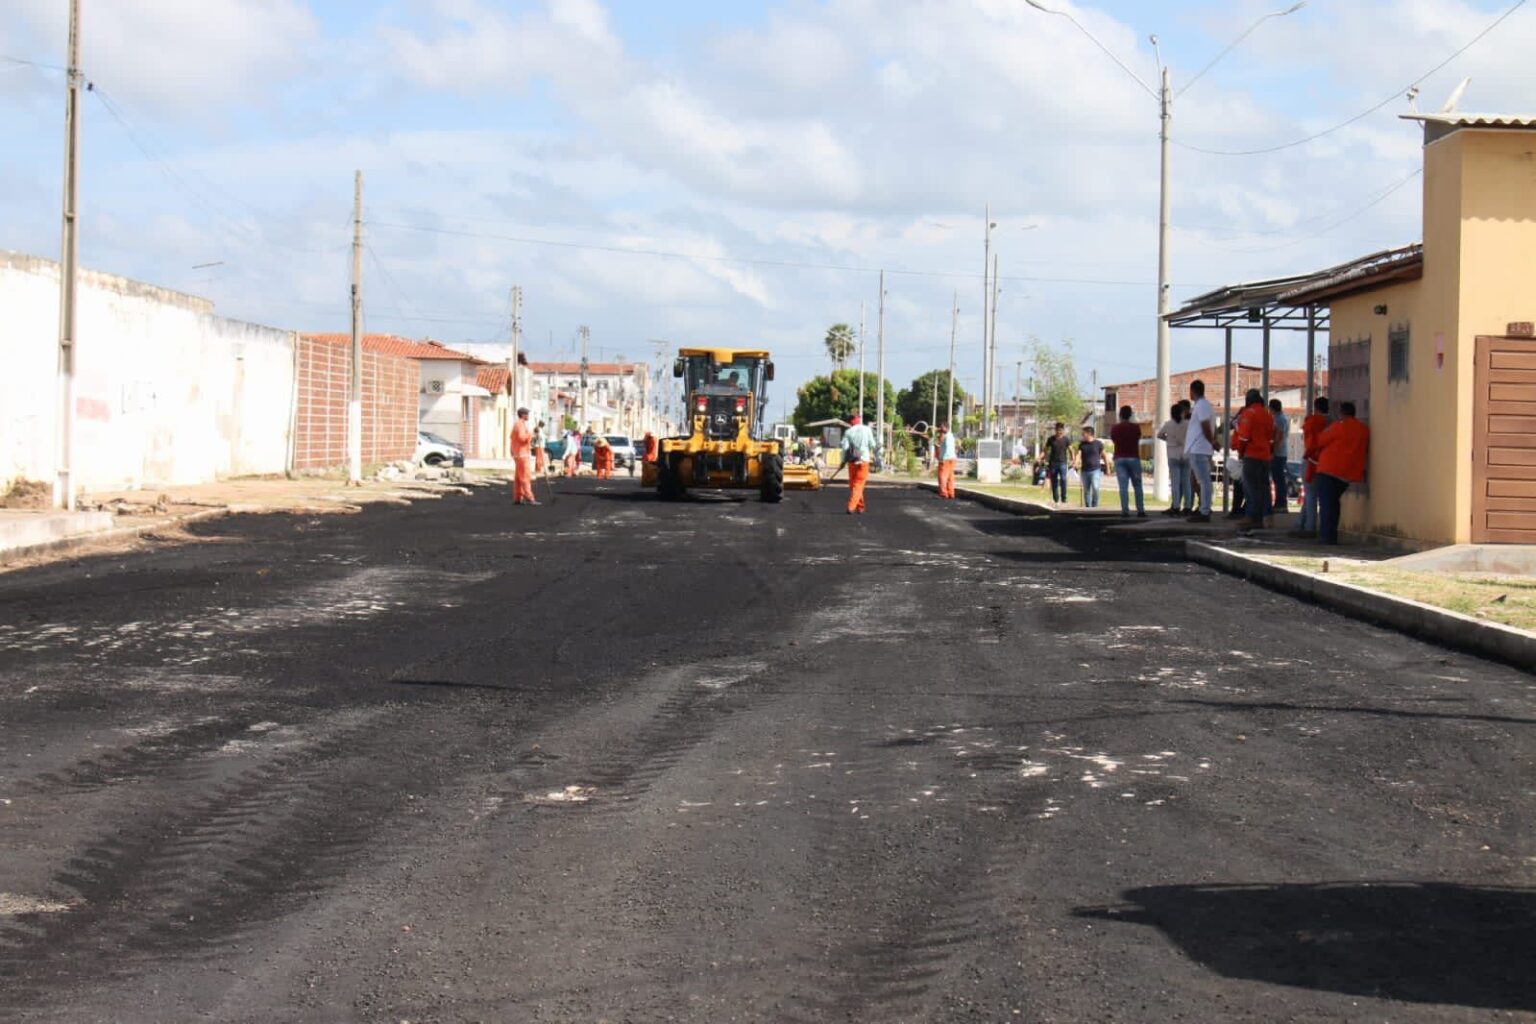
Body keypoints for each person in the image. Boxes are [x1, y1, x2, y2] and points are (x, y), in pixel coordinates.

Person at [1314, 401, 1369, 545]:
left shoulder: (1338, 426)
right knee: (1334, 504)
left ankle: (1326, 536)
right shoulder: (1363, 429)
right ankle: (1332, 535)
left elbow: (1320, 441)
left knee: (1327, 505)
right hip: (1347, 474)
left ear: (1342, 413)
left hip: (1328, 469)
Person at [1233, 389, 1274, 534]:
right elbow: (1271, 436)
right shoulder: (1267, 414)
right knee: (1264, 487)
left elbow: (1243, 437)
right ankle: (1267, 515)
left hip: (1252, 454)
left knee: (1250, 488)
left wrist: (1240, 452)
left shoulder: (1248, 413)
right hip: (1265, 455)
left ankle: (1252, 516)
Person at [1296, 396, 1329, 536]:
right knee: (1312, 494)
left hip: (1311, 459)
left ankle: (1310, 527)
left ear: (1316, 408)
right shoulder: (1332, 422)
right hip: (1326, 460)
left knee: (1310, 494)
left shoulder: (1313, 421)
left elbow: (1309, 441)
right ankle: (1300, 524)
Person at [1184, 380, 1216, 523]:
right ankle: (1203, 507)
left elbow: (1204, 425)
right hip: (1199, 448)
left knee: (1203, 481)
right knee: (1200, 481)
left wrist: (1212, 441)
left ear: (1192, 391)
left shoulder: (1202, 405)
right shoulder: (1201, 406)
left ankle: (1204, 510)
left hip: (1200, 448)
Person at [1109, 406, 1145, 518]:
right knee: (1137, 485)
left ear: (1120, 415)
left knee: (1123, 486)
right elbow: (1137, 438)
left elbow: (1114, 440)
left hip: (1119, 457)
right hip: (1133, 457)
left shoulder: (1115, 428)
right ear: (1130, 415)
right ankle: (1140, 510)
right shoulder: (1135, 428)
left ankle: (1125, 510)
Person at [1157, 403, 1188, 517]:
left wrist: (1168, 440)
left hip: (1172, 453)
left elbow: (1159, 435)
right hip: (1185, 454)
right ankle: (1188, 506)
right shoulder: (1187, 424)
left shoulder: (1168, 424)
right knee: (1186, 482)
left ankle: (1176, 506)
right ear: (1182, 413)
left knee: (1175, 482)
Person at [841, 414, 875, 514]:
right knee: (858, 484)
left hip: (852, 461)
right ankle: (858, 507)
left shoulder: (848, 432)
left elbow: (845, 448)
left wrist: (843, 461)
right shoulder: (867, 430)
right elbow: (872, 444)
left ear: (850, 422)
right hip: (864, 460)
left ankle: (852, 506)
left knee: (853, 485)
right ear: (859, 420)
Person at [510, 407, 538, 505]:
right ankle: (529, 498)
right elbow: (522, 438)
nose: (528, 416)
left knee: (518, 477)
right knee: (525, 476)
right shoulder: (520, 425)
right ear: (523, 415)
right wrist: (531, 434)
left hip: (518, 453)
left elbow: (513, 438)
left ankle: (518, 497)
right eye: (527, 414)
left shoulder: (518, 424)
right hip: (522, 454)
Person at [1268, 398, 1290, 515]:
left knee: (1279, 479)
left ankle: (1281, 504)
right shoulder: (1281, 418)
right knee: (1278, 479)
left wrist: (1273, 451)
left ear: (1272, 408)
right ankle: (1280, 503)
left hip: (1279, 453)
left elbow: (1279, 437)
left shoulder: (1279, 419)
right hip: (1281, 452)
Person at [1076, 425, 1106, 508]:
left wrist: (1108, 467)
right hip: (1085, 470)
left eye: (1084, 433)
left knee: (1095, 487)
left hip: (1095, 470)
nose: (1082, 435)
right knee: (1086, 490)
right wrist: (1076, 462)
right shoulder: (1082, 444)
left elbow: (1104, 455)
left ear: (1089, 433)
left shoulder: (1098, 444)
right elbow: (1079, 454)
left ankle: (1094, 506)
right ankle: (1088, 507)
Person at [1045, 422, 1072, 505]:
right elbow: (1045, 449)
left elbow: (1071, 450)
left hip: (1063, 463)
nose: (1059, 432)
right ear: (1055, 430)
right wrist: (1041, 457)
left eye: (1060, 430)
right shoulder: (1051, 439)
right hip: (1053, 463)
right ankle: (1056, 499)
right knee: (1054, 481)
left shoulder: (1066, 439)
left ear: (1063, 430)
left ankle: (1064, 498)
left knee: (1063, 479)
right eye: (1057, 430)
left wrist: (1073, 459)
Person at [934, 424, 957, 499]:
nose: (940, 428)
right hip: (952, 459)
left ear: (946, 428)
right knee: (950, 477)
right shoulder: (951, 435)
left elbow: (939, 443)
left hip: (945, 459)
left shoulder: (944, 435)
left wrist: (937, 435)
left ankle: (944, 493)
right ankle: (951, 493)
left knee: (942, 476)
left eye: (941, 427)